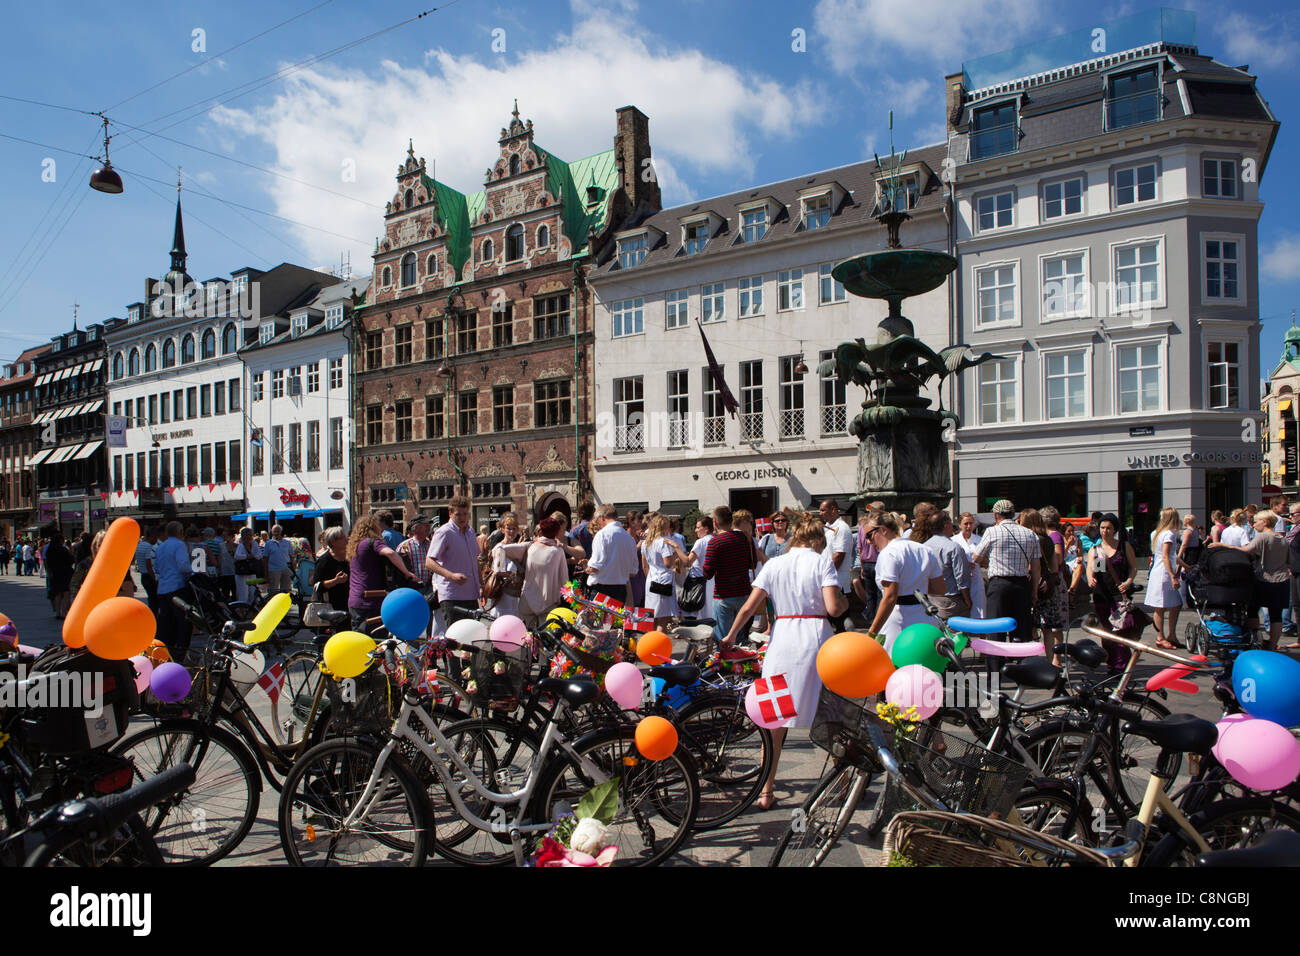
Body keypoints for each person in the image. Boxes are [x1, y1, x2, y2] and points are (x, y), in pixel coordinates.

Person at [719, 513, 845, 810]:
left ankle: (766, 789)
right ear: (816, 540)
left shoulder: (774, 564)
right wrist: (846, 603)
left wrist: (731, 635)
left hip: (783, 638)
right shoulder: (821, 561)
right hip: (816, 638)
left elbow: (750, 607)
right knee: (831, 712)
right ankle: (840, 785)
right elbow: (833, 608)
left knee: (774, 717)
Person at [862, 512, 945, 653]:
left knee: (895, 665)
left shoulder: (889, 553)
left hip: (898, 621)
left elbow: (890, 597)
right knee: (924, 665)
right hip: (924, 616)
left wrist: (872, 632)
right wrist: (916, 583)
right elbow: (940, 588)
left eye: (869, 536)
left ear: (883, 530)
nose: (868, 542)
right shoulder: (925, 550)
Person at [1214, 509, 1288, 651]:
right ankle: (1272, 644)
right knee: (1276, 614)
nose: (1253, 525)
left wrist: (1222, 545)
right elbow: (1288, 561)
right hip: (1282, 580)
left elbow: (1246, 550)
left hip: (1264, 579)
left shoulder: (1262, 537)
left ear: (1265, 522)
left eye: (1256, 522)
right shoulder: (1282, 539)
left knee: (1253, 609)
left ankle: (1253, 640)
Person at [974, 499, 1041, 641]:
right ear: (1013, 515)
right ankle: (1022, 661)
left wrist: (990, 561)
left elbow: (976, 557)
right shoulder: (1030, 534)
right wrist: (1034, 590)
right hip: (1022, 584)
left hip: (999, 584)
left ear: (995, 515)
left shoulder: (992, 531)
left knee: (996, 629)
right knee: (1022, 629)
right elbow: (1036, 566)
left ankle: (996, 662)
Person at [1086, 514, 1142, 672]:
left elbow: (1134, 567)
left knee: (1120, 630)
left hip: (1119, 594)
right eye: (1102, 528)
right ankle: (1112, 664)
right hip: (1101, 595)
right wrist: (1091, 578)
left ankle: (1122, 665)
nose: (1105, 531)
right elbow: (1093, 568)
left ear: (1115, 529)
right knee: (1107, 631)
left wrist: (1129, 581)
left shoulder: (1123, 547)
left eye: (1109, 528)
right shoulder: (1096, 549)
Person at [347, 513, 419, 633]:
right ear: (374, 528)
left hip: (355, 600)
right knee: (376, 643)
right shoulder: (372, 542)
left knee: (361, 641)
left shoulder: (355, 546)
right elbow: (390, 553)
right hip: (371, 600)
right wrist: (407, 572)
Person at [702, 506, 759, 646]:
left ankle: (725, 665)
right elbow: (752, 563)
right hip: (743, 591)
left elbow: (707, 573)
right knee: (740, 637)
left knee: (723, 639)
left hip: (724, 594)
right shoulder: (746, 538)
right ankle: (741, 664)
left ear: (715, 522)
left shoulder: (715, 542)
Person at [499, 516, 570, 628]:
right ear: (556, 533)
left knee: (527, 637)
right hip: (548, 602)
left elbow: (502, 549)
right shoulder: (558, 551)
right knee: (545, 639)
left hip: (527, 600)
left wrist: (508, 568)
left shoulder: (530, 546)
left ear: (541, 531)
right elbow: (564, 580)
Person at [425, 495, 481, 634]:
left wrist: (481, 585)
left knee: (472, 638)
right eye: (458, 515)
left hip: (471, 594)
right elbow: (429, 562)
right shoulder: (444, 532)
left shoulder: (470, 531)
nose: (462, 518)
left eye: (465, 514)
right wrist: (451, 575)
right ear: (450, 514)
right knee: (455, 639)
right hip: (452, 595)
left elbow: (475, 560)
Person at [912, 511, 970, 620]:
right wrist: (967, 599)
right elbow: (961, 577)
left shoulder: (923, 547)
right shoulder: (953, 547)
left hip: (929, 599)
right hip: (950, 600)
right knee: (955, 634)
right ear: (946, 525)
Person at [154, 521, 196, 660]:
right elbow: (183, 565)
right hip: (177, 586)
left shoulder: (160, 547)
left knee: (166, 622)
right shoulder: (179, 545)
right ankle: (181, 652)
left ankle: (165, 651)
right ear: (180, 532)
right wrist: (193, 571)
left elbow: (157, 569)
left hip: (163, 588)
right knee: (183, 622)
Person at [641, 513, 690, 628]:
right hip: (663, 581)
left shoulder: (645, 542)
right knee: (663, 619)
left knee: (652, 617)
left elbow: (645, 565)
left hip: (651, 580)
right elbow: (668, 564)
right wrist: (675, 552)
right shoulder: (663, 542)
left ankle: (650, 643)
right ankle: (658, 644)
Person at [1027, 507, 1066, 650]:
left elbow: (1058, 557)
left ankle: (1055, 657)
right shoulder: (1049, 536)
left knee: (1051, 624)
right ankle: (1053, 657)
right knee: (1049, 624)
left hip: (1047, 582)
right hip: (1049, 580)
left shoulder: (1052, 536)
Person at [586, 504, 639, 603]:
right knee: (615, 618)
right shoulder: (629, 538)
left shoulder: (602, 535)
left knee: (598, 618)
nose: (597, 524)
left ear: (602, 518)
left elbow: (596, 566)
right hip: (620, 589)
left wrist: (586, 567)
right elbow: (633, 572)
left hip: (601, 590)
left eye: (597, 520)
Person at [487, 515, 523, 618]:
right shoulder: (501, 548)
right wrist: (514, 574)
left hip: (512, 593)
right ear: (503, 530)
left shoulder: (514, 547)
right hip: (503, 593)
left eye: (514, 528)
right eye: (508, 528)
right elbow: (498, 571)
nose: (511, 531)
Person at [950, 512, 985, 618]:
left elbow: (985, 559)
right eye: (966, 524)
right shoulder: (954, 540)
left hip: (976, 578)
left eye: (971, 523)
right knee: (962, 609)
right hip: (959, 579)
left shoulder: (979, 540)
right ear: (960, 524)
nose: (969, 526)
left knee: (980, 608)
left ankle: (981, 633)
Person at [311, 526, 351, 613]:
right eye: (342, 538)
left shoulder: (350, 557)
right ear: (333, 542)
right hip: (332, 607)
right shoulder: (324, 560)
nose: (346, 539)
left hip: (351, 602)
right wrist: (335, 581)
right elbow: (316, 585)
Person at [686, 515, 715, 618]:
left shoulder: (700, 542)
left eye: (698, 527)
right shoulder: (715, 540)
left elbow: (688, 561)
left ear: (706, 529)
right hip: (712, 580)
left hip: (699, 581)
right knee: (710, 608)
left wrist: (676, 548)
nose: (695, 530)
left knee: (700, 610)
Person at [43, 531, 76, 619]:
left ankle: (58, 612)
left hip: (54, 573)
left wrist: (49, 571)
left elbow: (46, 562)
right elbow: (72, 560)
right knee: (66, 592)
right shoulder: (63, 550)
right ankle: (64, 612)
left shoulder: (49, 550)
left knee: (57, 593)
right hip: (65, 573)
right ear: (60, 541)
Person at [233, 528, 264, 604]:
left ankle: (251, 611)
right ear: (243, 536)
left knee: (253, 593)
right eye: (248, 535)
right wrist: (247, 556)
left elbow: (260, 555)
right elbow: (237, 556)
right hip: (242, 573)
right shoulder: (240, 545)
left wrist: (253, 556)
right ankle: (243, 610)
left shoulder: (254, 544)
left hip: (252, 571)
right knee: (243, 594)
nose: (250, 537)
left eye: (250, 535)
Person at [263, 524, 295, 596]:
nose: (276, 533)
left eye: (278, 531)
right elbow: (265, 559)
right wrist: (266, 573)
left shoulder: (287, 542)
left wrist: (294, 569)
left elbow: (291, 556)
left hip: (285, 568)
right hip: (273, 570)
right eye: (275, 531)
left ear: (281, 532)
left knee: (286, 591)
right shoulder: (268, 543)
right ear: (272, 532)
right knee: (273, 591)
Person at [135, 524, 159, 612]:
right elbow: (148, 564)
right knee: (154, 601)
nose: (156, 540)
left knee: (151, 599)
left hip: (143, 576)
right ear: (152, 536)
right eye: (155, 537)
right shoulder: (149, 547)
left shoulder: (139, 546)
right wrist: (155, 578)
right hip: (150, 577)